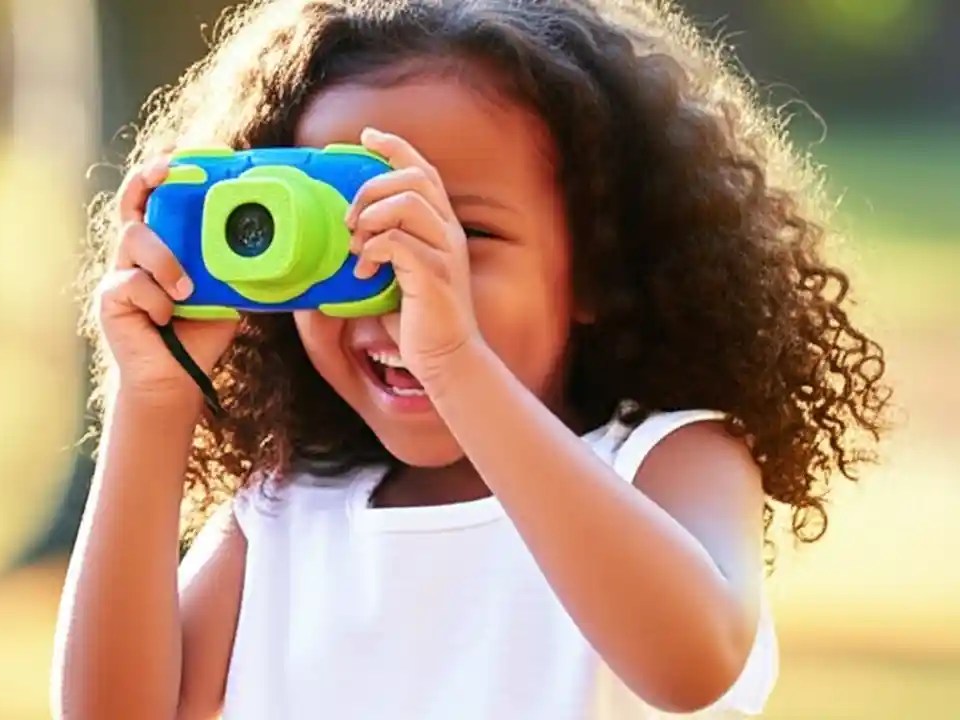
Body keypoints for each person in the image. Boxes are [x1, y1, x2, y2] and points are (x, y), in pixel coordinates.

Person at [51, 1, 892, 718]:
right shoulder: (282, 514)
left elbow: (692, 665)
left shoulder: (665, 461)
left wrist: (458, 364)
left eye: (463, 235)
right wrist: (152, 403)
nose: (400, 285)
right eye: (343, 240)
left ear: (597, 267)